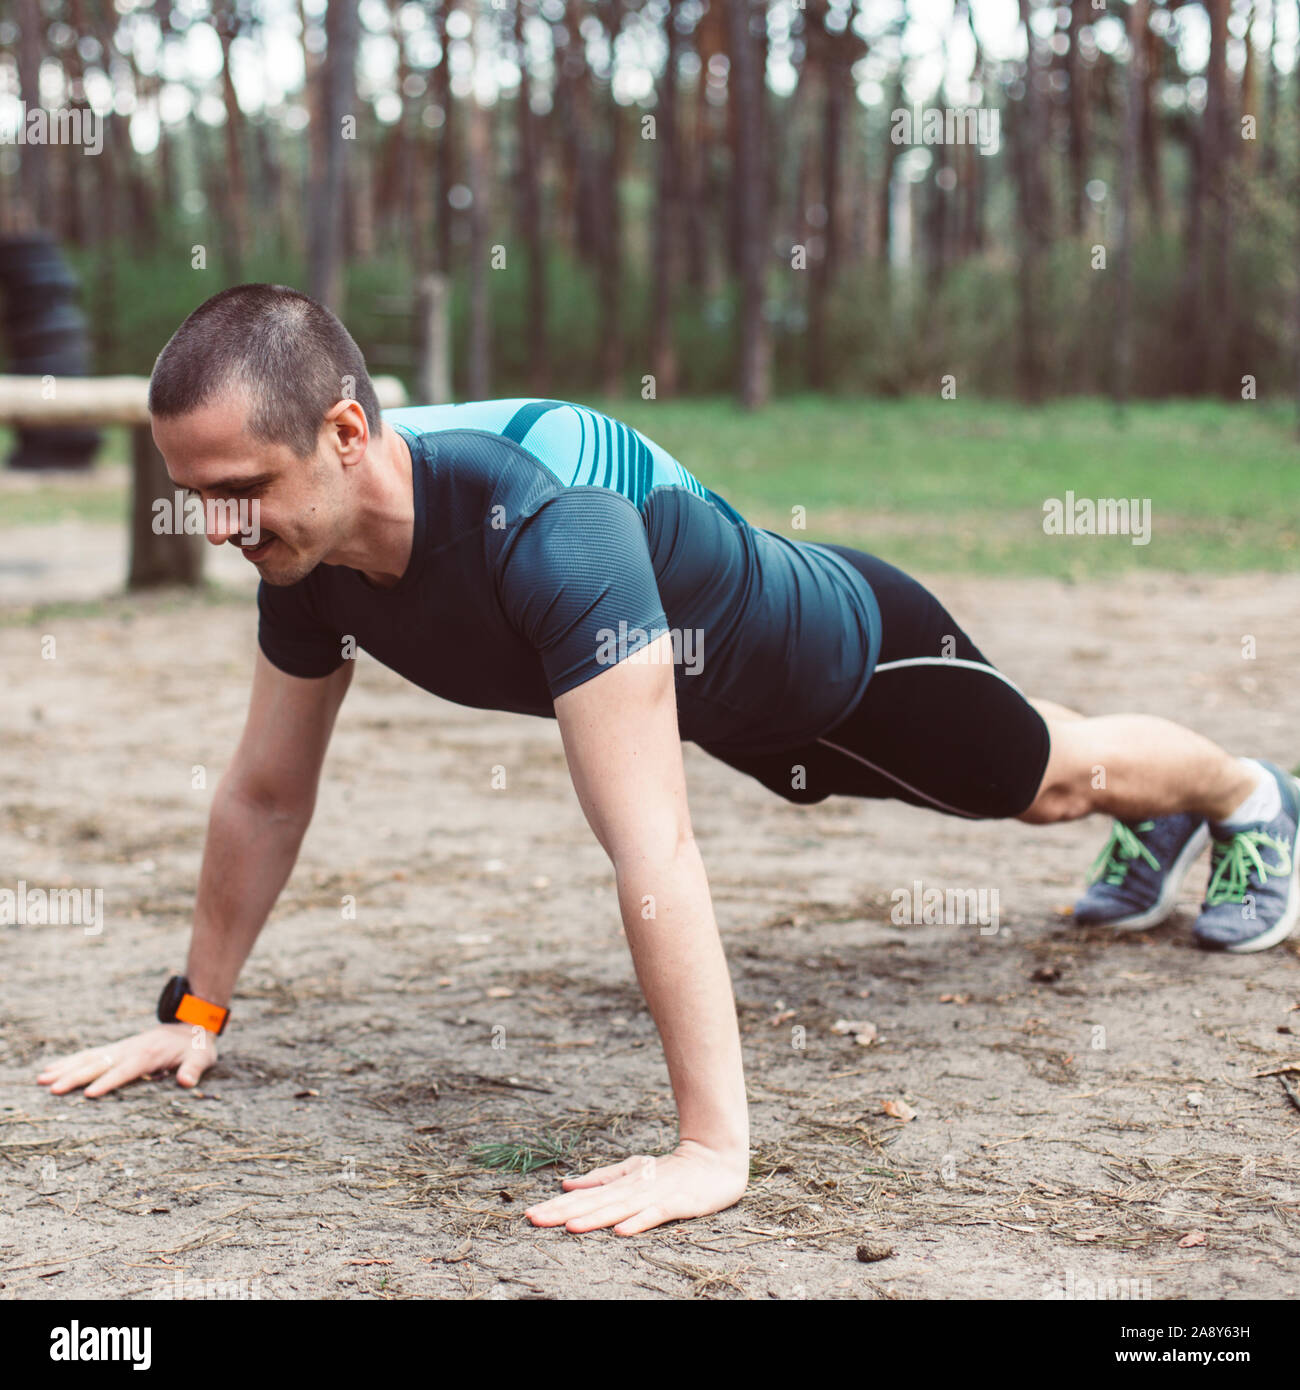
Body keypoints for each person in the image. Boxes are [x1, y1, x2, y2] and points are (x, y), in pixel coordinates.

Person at [35, 284, 1300, 1237]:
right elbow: (264, 790)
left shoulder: (542, 521)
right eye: (194, 495)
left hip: (850, 665)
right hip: (727, 716)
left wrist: (712, 1149)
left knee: (1049, 779)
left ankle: (1246, 795)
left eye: (239, 488)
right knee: (1047, 780)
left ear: (347, 431)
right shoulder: (303, 560)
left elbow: (652, 844)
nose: (215, 528)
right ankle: (1173, 824)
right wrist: (193, 1010)